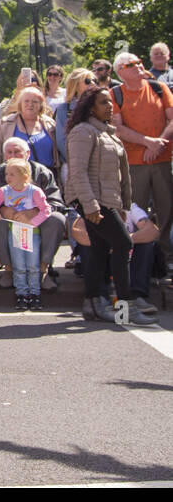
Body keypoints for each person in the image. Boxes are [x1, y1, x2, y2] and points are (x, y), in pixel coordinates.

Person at [63, 87, 155, 325]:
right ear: (90, 107)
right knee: (124, 242)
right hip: (91, 200)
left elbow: (120, 175)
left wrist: (123, 205)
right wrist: (90, 205)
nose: (109, 106)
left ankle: (93, 305)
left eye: (110, 102)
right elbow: (78, 172)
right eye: (103, 103)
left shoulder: (108, 133)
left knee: (100, 249)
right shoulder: (83, 131)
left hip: (106, 200)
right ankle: (126, 309)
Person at [109, 51, 173, 275]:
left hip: (162, 159)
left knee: (166, 209)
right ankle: (138, 259)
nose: (138, 65)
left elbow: (172, 117)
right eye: (131, 64)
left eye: (139, 62)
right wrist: (147, 142)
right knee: (136, 211)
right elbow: (117, 127)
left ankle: (164, 259)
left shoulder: (159, 87)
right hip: (133, 163)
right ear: (120, 72)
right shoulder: (115, 94)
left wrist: (158, 144)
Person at [0, 138, 68, 289]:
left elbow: (56, 204)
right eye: (9, 152)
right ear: (4, 156)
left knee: (57, 219)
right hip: (9, 220)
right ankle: (8, 270)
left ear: (27, 154)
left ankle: (43, 270)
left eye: (17, 152)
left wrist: (34, 212)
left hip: (37, 220)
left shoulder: (42, 173)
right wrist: (1, 210)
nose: (13, 156)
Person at [0, 158, 52, 310]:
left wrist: (33, 223)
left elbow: (46, 209)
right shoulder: (3, 191)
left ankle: (34, 294)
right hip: (15, 232)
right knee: (19, 265)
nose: (8, 177)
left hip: (32, 233)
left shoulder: (34, 191)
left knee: (33, 265)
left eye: (12, 174)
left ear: (24, 176)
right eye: (7, 174)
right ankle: (22, 293)